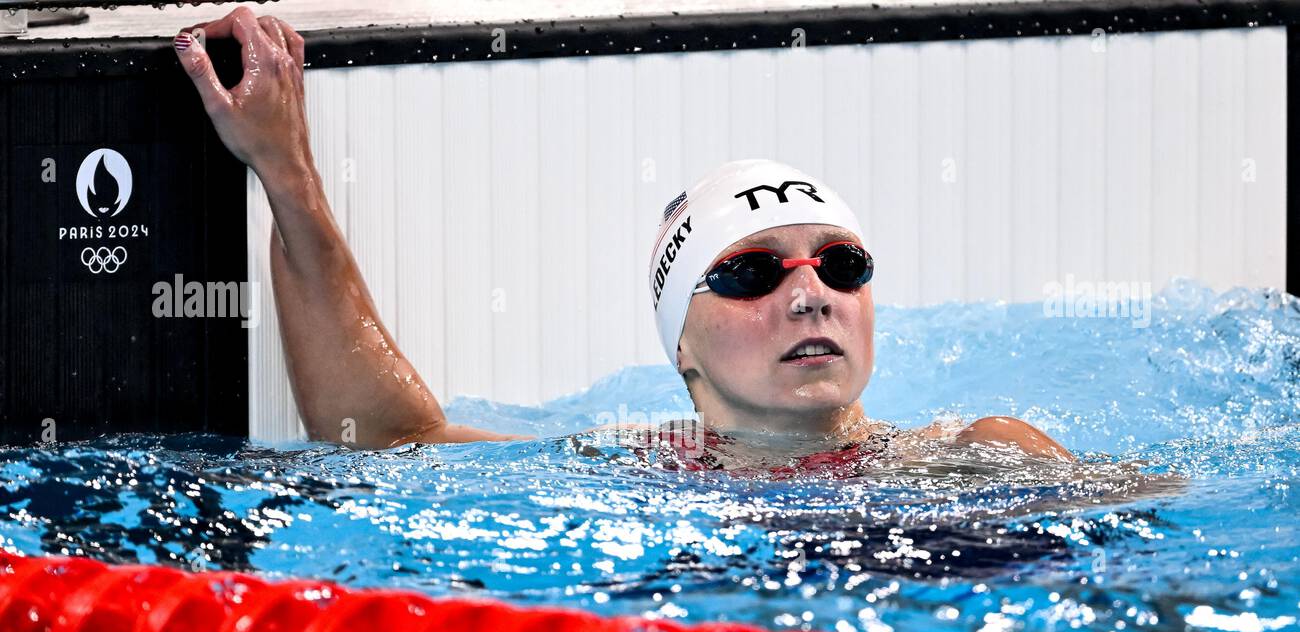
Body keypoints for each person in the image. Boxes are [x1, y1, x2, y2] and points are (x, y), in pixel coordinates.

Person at [173, 6, 1074, 474]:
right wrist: (285, 173)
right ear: (681, 346)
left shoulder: (984, 457)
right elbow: (381, 436)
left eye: (841, 263)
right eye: (752, 272)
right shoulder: (649, 470)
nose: (811, 294)